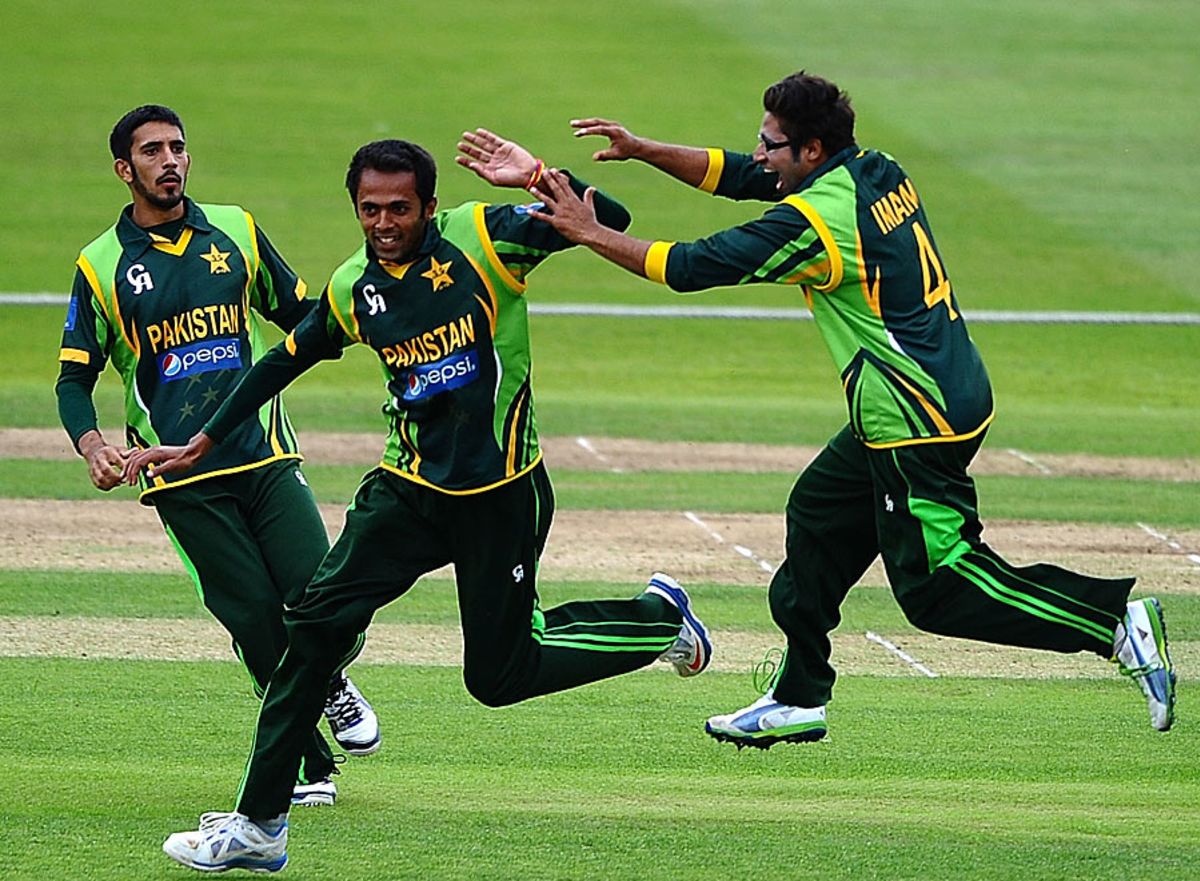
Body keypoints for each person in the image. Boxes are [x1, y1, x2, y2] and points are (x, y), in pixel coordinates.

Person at [522, 71, 1175, 748]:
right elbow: (743, 174)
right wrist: (642, 148)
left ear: (809, 150)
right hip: (943, 389)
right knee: (816, 517)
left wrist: (587, 230)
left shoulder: (816, 223)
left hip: (916, 417)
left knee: (938, 586)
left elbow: (688, 265)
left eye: (773, 144)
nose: (761, 153)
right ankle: (799, 695)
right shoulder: (875, 170)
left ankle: (1111, 621)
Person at [124, 131, 712, 872]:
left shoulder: (486, 238)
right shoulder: (351, 287)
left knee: (497, 676)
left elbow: (610, 219)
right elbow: (286, 356)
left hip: (501, 495)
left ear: (429, 205)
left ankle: (655, 620)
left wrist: (535, 175)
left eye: (399, 208)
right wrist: (205, 438)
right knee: (311, 628)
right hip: (405, 492)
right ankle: (261, 824)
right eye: (369, 209)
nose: (384, 223)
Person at [55, 105, 381, 806]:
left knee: (324, 597)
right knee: (256, 619)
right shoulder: (101, 265)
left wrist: (386, 326)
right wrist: (92, 446)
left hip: (263, 454)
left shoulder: (234, 229)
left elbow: (301, 313)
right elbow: (73, 377)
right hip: (180, 478)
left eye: (177, 147)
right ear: (125, 169)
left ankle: (330, 679)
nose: (169, 159)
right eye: (152, 151)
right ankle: (306, 765)